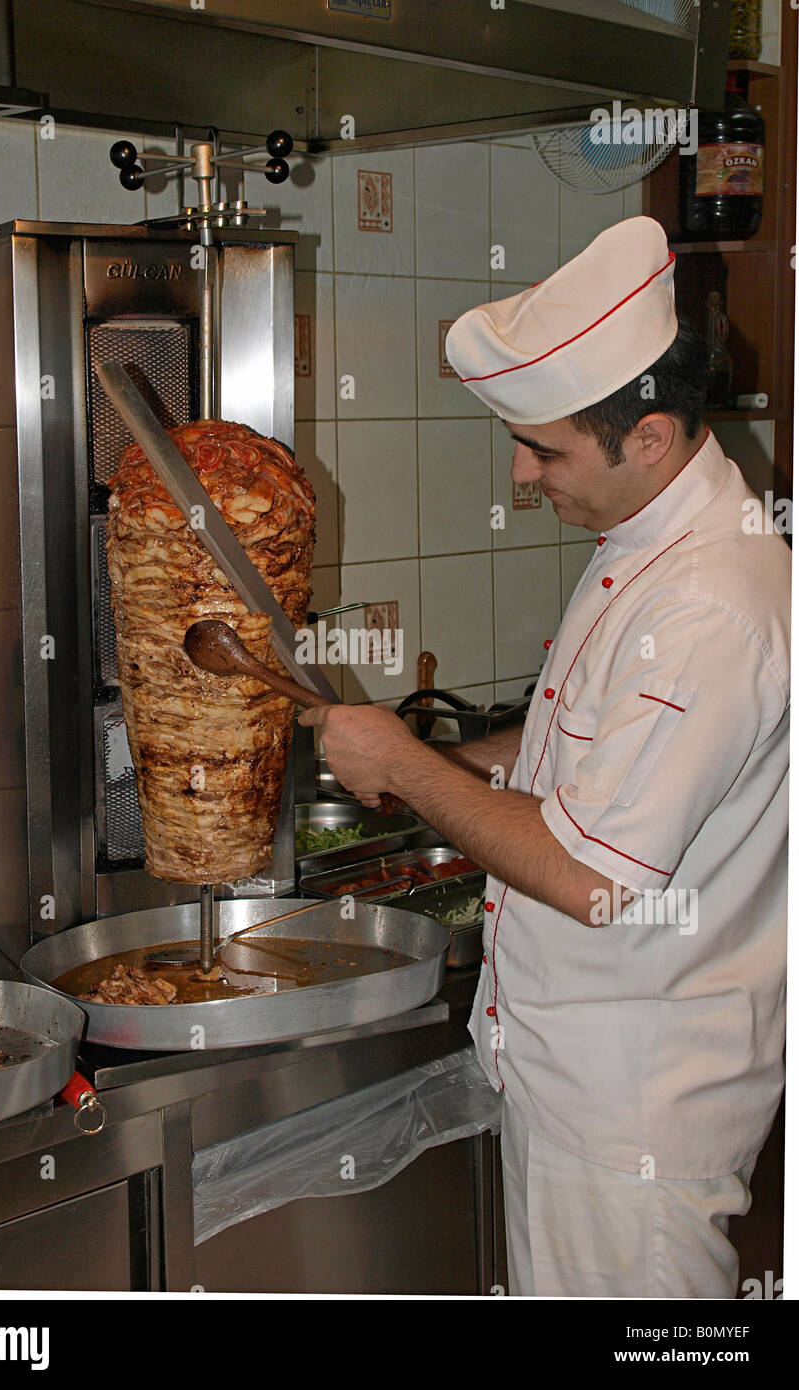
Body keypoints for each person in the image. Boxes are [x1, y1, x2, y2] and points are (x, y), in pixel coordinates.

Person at [299, 217, 790, 1298]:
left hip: (634, 1124)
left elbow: (595, 877)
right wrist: (450, 759)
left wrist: (409, 763)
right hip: (588, 1089)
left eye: (546, 447)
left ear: (649, 437)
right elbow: (592, 731)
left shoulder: (706, 601)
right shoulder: (648, 544)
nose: (522, 474)